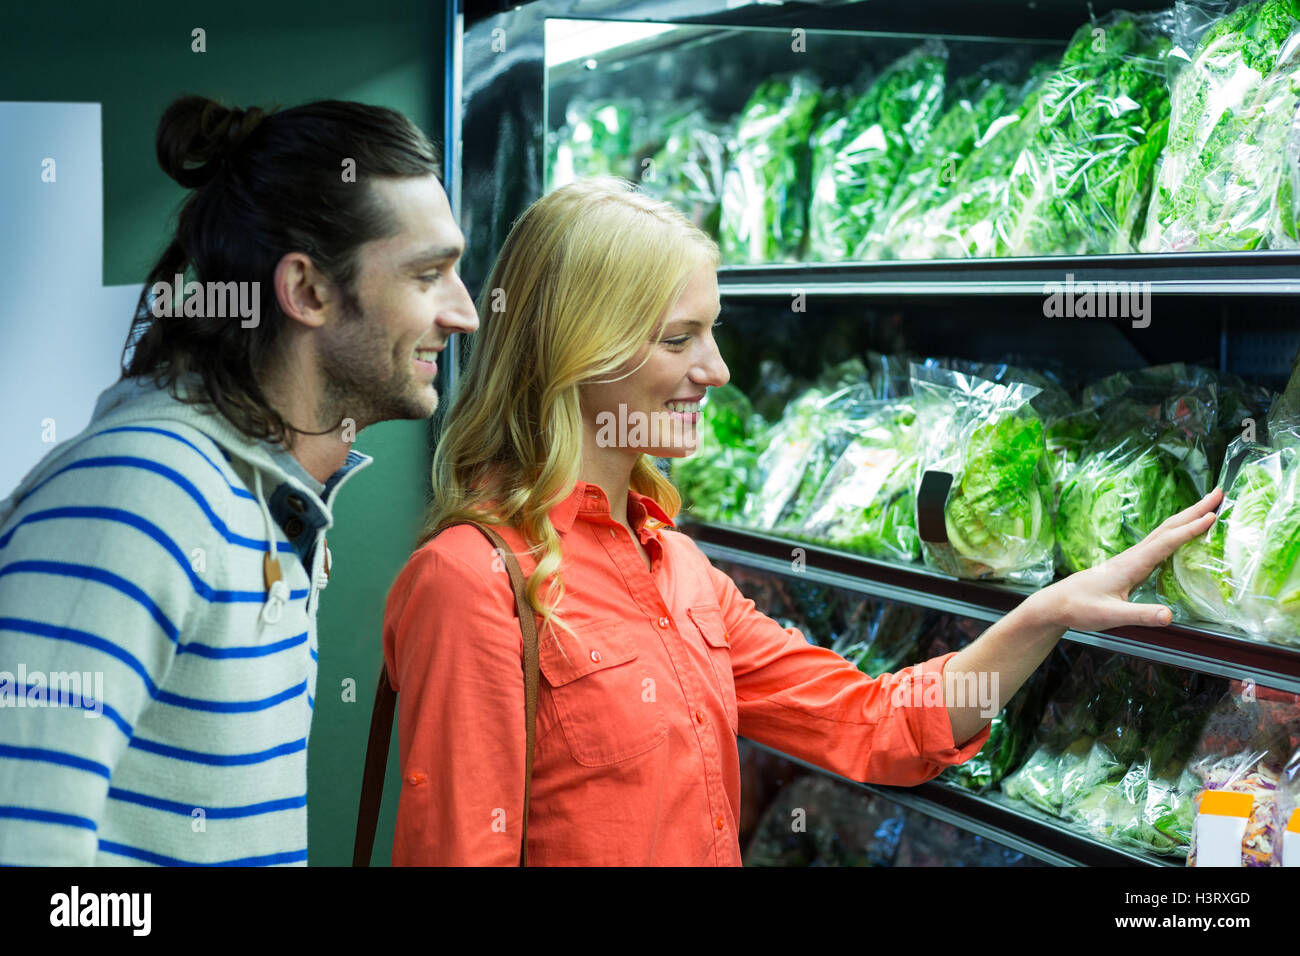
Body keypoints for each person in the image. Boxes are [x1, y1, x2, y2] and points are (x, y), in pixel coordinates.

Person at [381, 176, 1223, 866]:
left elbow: (874, 723)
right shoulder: (473, 583)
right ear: (578, 351)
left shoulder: (673, 567)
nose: (714, 370)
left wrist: (1049, 610)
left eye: (711, 334)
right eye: (681, 340)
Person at [0, 96, 478, 865]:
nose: (465, 313)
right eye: (429, 275)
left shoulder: (267, 502)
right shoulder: (140, 493)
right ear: (308, 292)